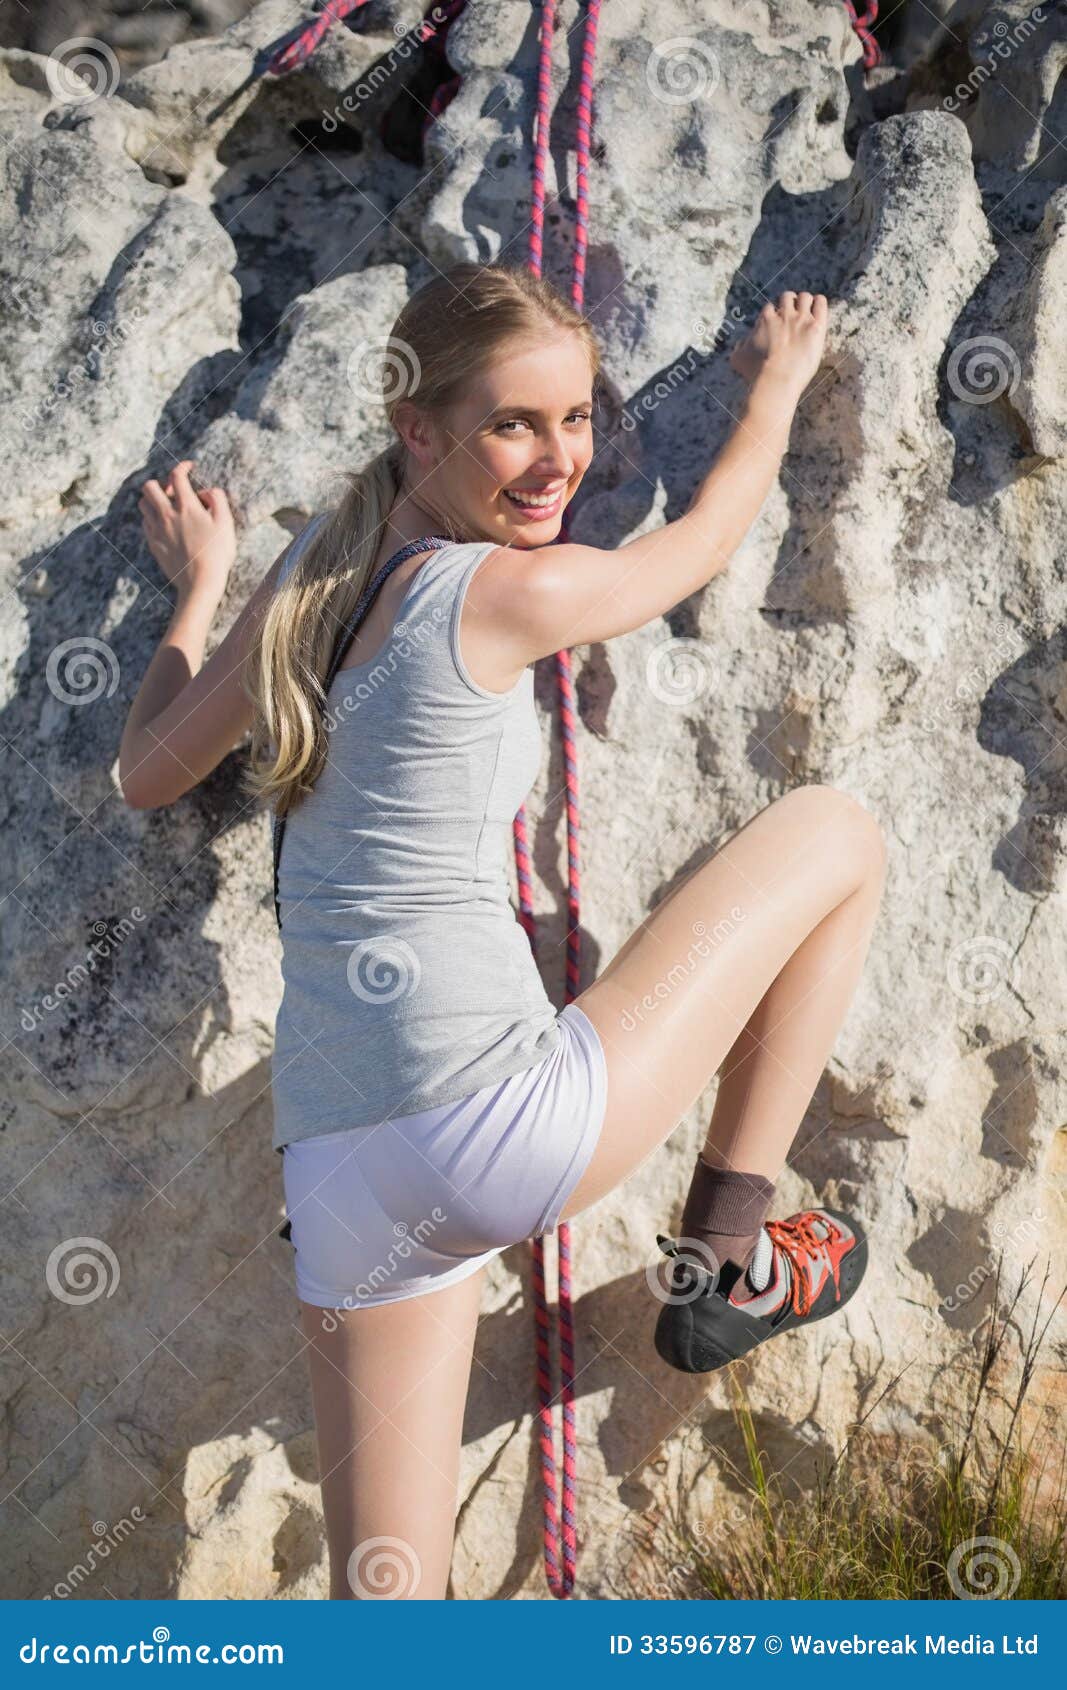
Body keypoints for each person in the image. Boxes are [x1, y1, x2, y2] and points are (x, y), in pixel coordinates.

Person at [119, 261, 885, 1600]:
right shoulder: (503, 593)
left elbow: (147, 771)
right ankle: (728, 1253)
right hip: (492, 1120)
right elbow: (696, 546)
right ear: (419, 429)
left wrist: (201, 583)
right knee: (838, 834)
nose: (558, 459)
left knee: (390, 1608)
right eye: (516, 424)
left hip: (344, 1178)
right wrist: (773, 391)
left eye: (577, 418)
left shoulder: (312, 573)